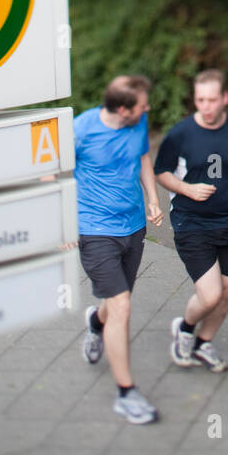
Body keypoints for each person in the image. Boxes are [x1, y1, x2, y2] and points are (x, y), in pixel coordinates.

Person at [154, 69, 228, 373]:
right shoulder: (181, 133)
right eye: (200, 100)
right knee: (211, 294)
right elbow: (161, 171)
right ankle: (185, 327)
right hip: (191, 222)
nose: (205, 107)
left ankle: (203, 342)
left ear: (224, 99)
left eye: (211, 100)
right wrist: (186, 188)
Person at [75, 74, 165, 424]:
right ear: (124, 108)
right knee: (123, 307)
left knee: (115, 303)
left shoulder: (138, 121)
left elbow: (143, 157)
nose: (148, 109)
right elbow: (53, 173)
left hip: (133, 225)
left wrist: (154, 199)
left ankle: (96, 324)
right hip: (94, 230)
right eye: (143, 105)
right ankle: (126, 393)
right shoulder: (80, 130)